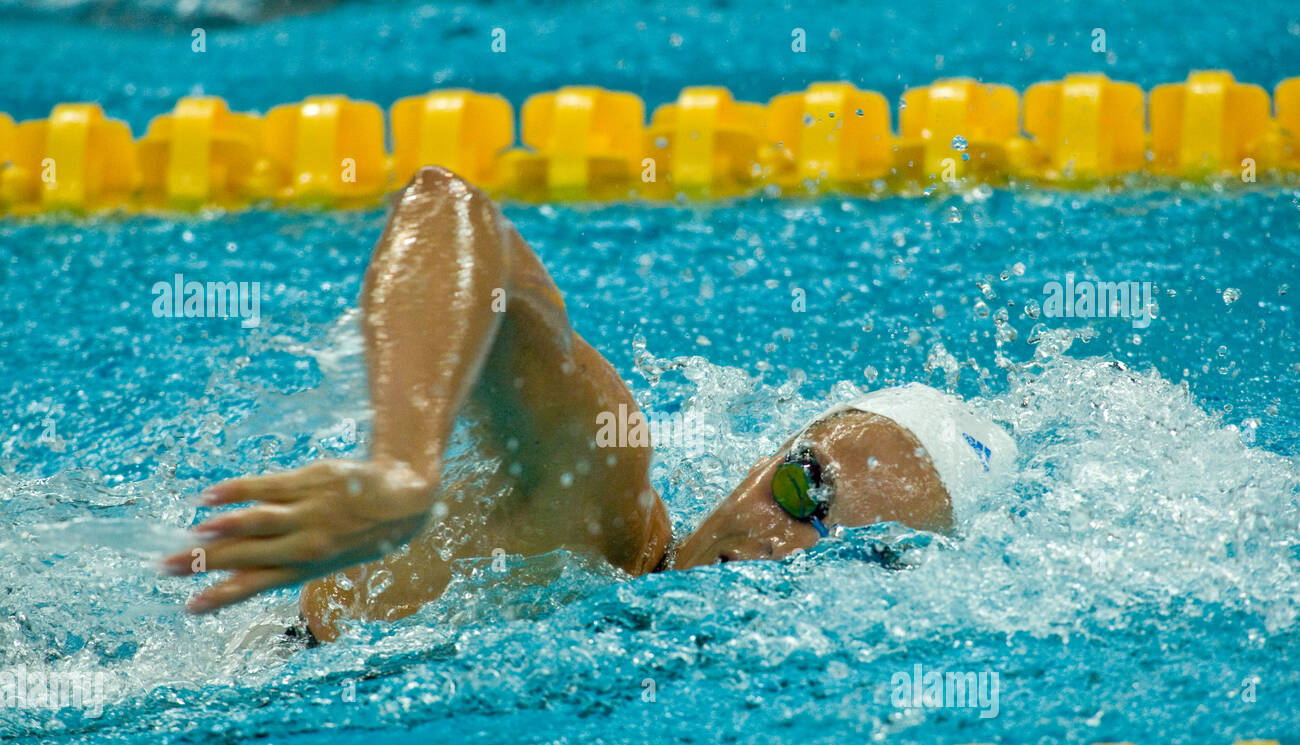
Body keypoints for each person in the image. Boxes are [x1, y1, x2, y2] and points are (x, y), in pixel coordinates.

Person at [161, 167, 1016, 642]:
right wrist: (402, 462)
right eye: (801, 489)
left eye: (852, 556)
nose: (781, 545)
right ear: (768, 456)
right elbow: (448, 211)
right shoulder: (596, 488)